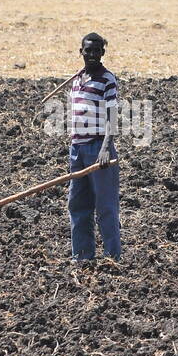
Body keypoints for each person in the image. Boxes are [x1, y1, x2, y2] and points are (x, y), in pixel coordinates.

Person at [67, 33, 120, 263]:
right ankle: (82, 257)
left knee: (106, 207)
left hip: (98, 148)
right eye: (87, 50)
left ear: (102, 54)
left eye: (96, 51)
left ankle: (112, 258)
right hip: (77, 149)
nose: (91, 55)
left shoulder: (107, 79)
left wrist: (106, 147)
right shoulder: (77, 79)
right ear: (81, 52)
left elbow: (112, 116)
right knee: (78, 205)